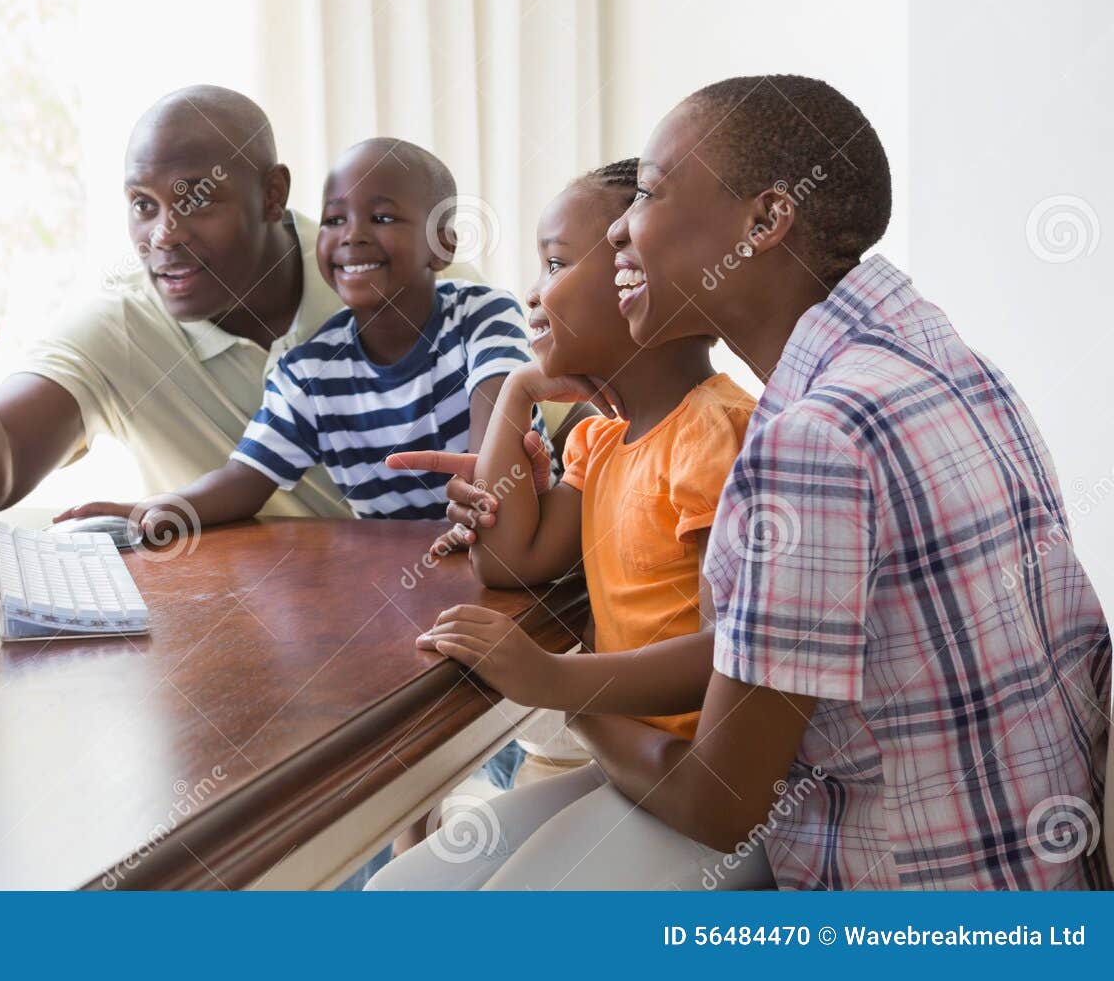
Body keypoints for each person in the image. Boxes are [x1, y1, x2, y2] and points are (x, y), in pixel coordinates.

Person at [413, 75, 1110, 890]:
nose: (621, 231)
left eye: (646, 195)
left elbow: (720, 800)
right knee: (419, 892)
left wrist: (561, 687)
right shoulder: (937, 357)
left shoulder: (812, 440)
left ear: (768, 220)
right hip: (1051, 866)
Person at [369, 159, 762, 889]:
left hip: (703, 781)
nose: (531, 291)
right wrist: (520, 390)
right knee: (400, 889)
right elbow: (511, 558)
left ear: (635, 277)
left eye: (553, 262)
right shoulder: (598, 439)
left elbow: (734, 650)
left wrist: (557, 678)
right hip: (627, 759)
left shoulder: (713, 429)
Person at [0, 85, 358, 520]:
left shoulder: (409, 285)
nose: (164, 236)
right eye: (143, 206)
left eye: (196, 200)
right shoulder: (120, 325)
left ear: (272, 194)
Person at [54, 137, 546, 533]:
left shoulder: (483, 315)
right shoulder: (309, 371)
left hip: (518, 537)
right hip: (405, 575)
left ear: (442, 246)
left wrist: (481, 500)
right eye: (334, 219)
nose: (351, 235)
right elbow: (243, 480)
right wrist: (154, 511)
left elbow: (496, 449)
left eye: (381, 218)